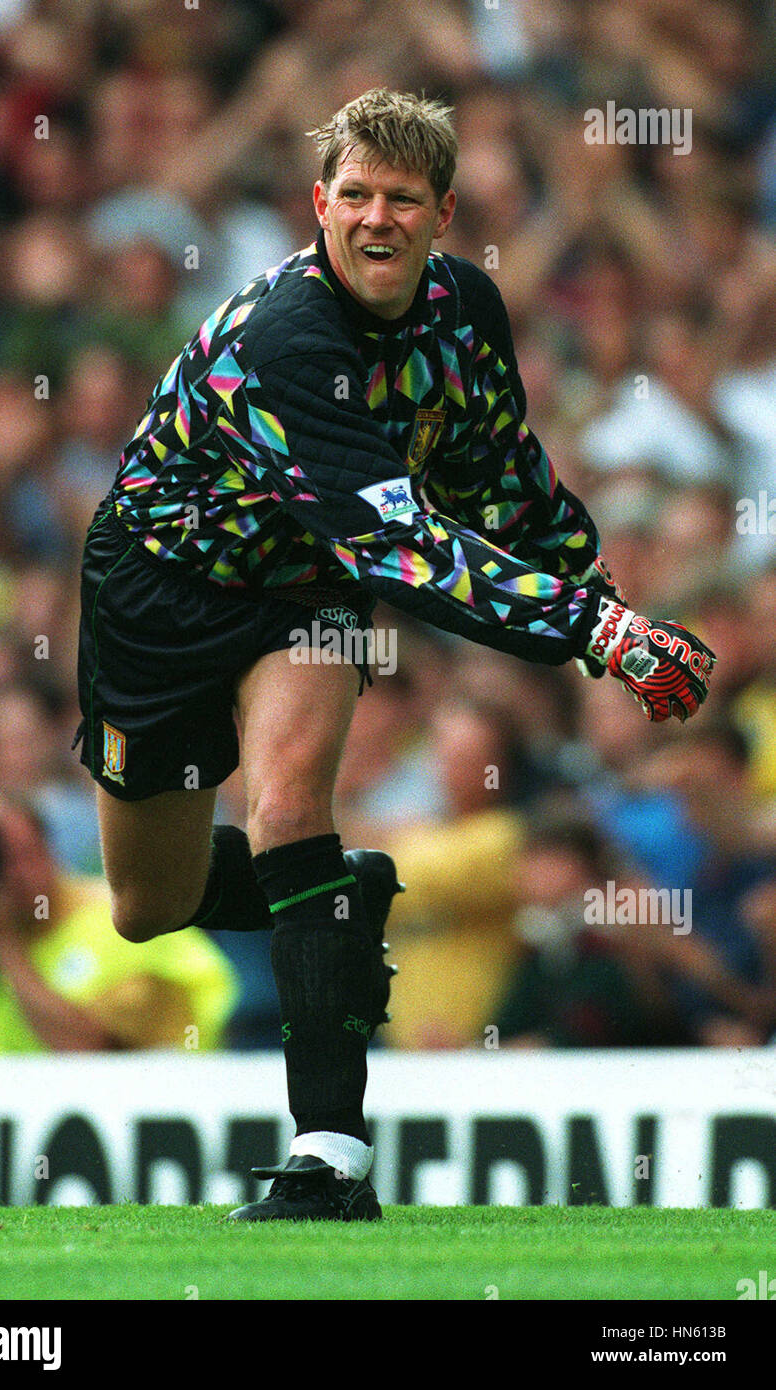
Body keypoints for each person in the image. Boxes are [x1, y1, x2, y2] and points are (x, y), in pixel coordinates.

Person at [74, 89, 715, 1222]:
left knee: (287, 810)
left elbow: (497, 475)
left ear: (442, 212)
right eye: (354, 196)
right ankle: (334, 897)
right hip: (160, 588)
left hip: (303, 586)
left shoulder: (466, 309)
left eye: (402, 200)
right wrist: (591, 631)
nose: (377, 219)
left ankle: (328, 1159)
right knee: (146, 903)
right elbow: (406, 542)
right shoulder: (285, 339)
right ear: (317, 205)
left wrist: (596, 597)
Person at [0, 787, 237, 1053]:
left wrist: (0, 943)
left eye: (24, 854)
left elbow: (93, 1057)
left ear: (46, 845)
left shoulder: (122, 920)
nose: (15, 873)